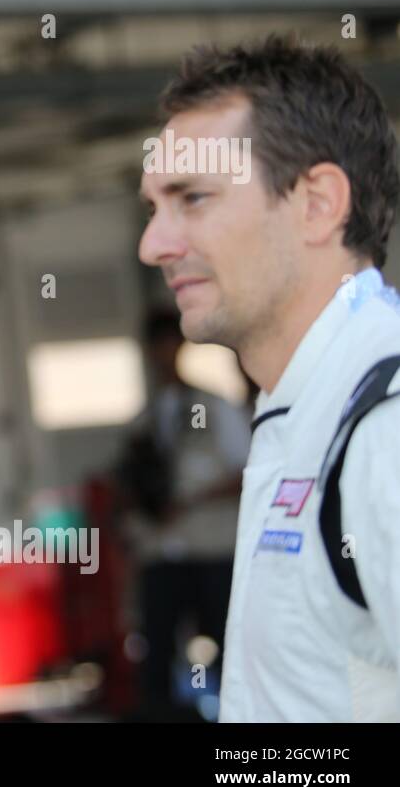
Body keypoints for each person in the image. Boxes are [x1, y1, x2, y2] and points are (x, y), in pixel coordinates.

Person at [138, 35, 400, 721]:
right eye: (153, 208)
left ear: (317, 203)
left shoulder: (384, 431)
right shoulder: (305, 409)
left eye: (192, 198)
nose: (153, 244)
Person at [117, 307, 249, 719]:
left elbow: (248, 472)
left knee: (230, 650)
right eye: (155, 346)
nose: (162, 354)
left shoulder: (214, 408)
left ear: (180, 345)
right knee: (156, 651)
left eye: (168, 344)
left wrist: (191, 502)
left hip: (211, 551)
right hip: (161, 552)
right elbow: (129, 487)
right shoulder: (144, 421)